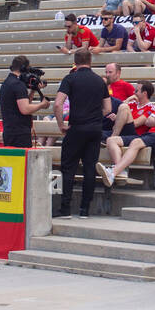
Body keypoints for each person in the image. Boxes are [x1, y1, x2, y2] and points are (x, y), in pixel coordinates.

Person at [54, 48, 111, 217]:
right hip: (94, 129)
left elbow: (58, 104)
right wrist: (94, 117)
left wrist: (61, 125)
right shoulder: (99, 81)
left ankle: (65, 209)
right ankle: (84, 209)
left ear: (75, 61)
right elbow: (107, 108)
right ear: (90, 61)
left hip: (76, 127)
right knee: (89, 168)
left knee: (68, 168)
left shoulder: (70, 78)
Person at [0, 55, 50, 148]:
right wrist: (42, 105)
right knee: (22, 161)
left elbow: (24, 103)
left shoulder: (6, 83)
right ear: (23, 69)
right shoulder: (18, 85)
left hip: (9, 131)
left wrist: (33, 90)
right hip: (20, 133)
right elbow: (25, 109)